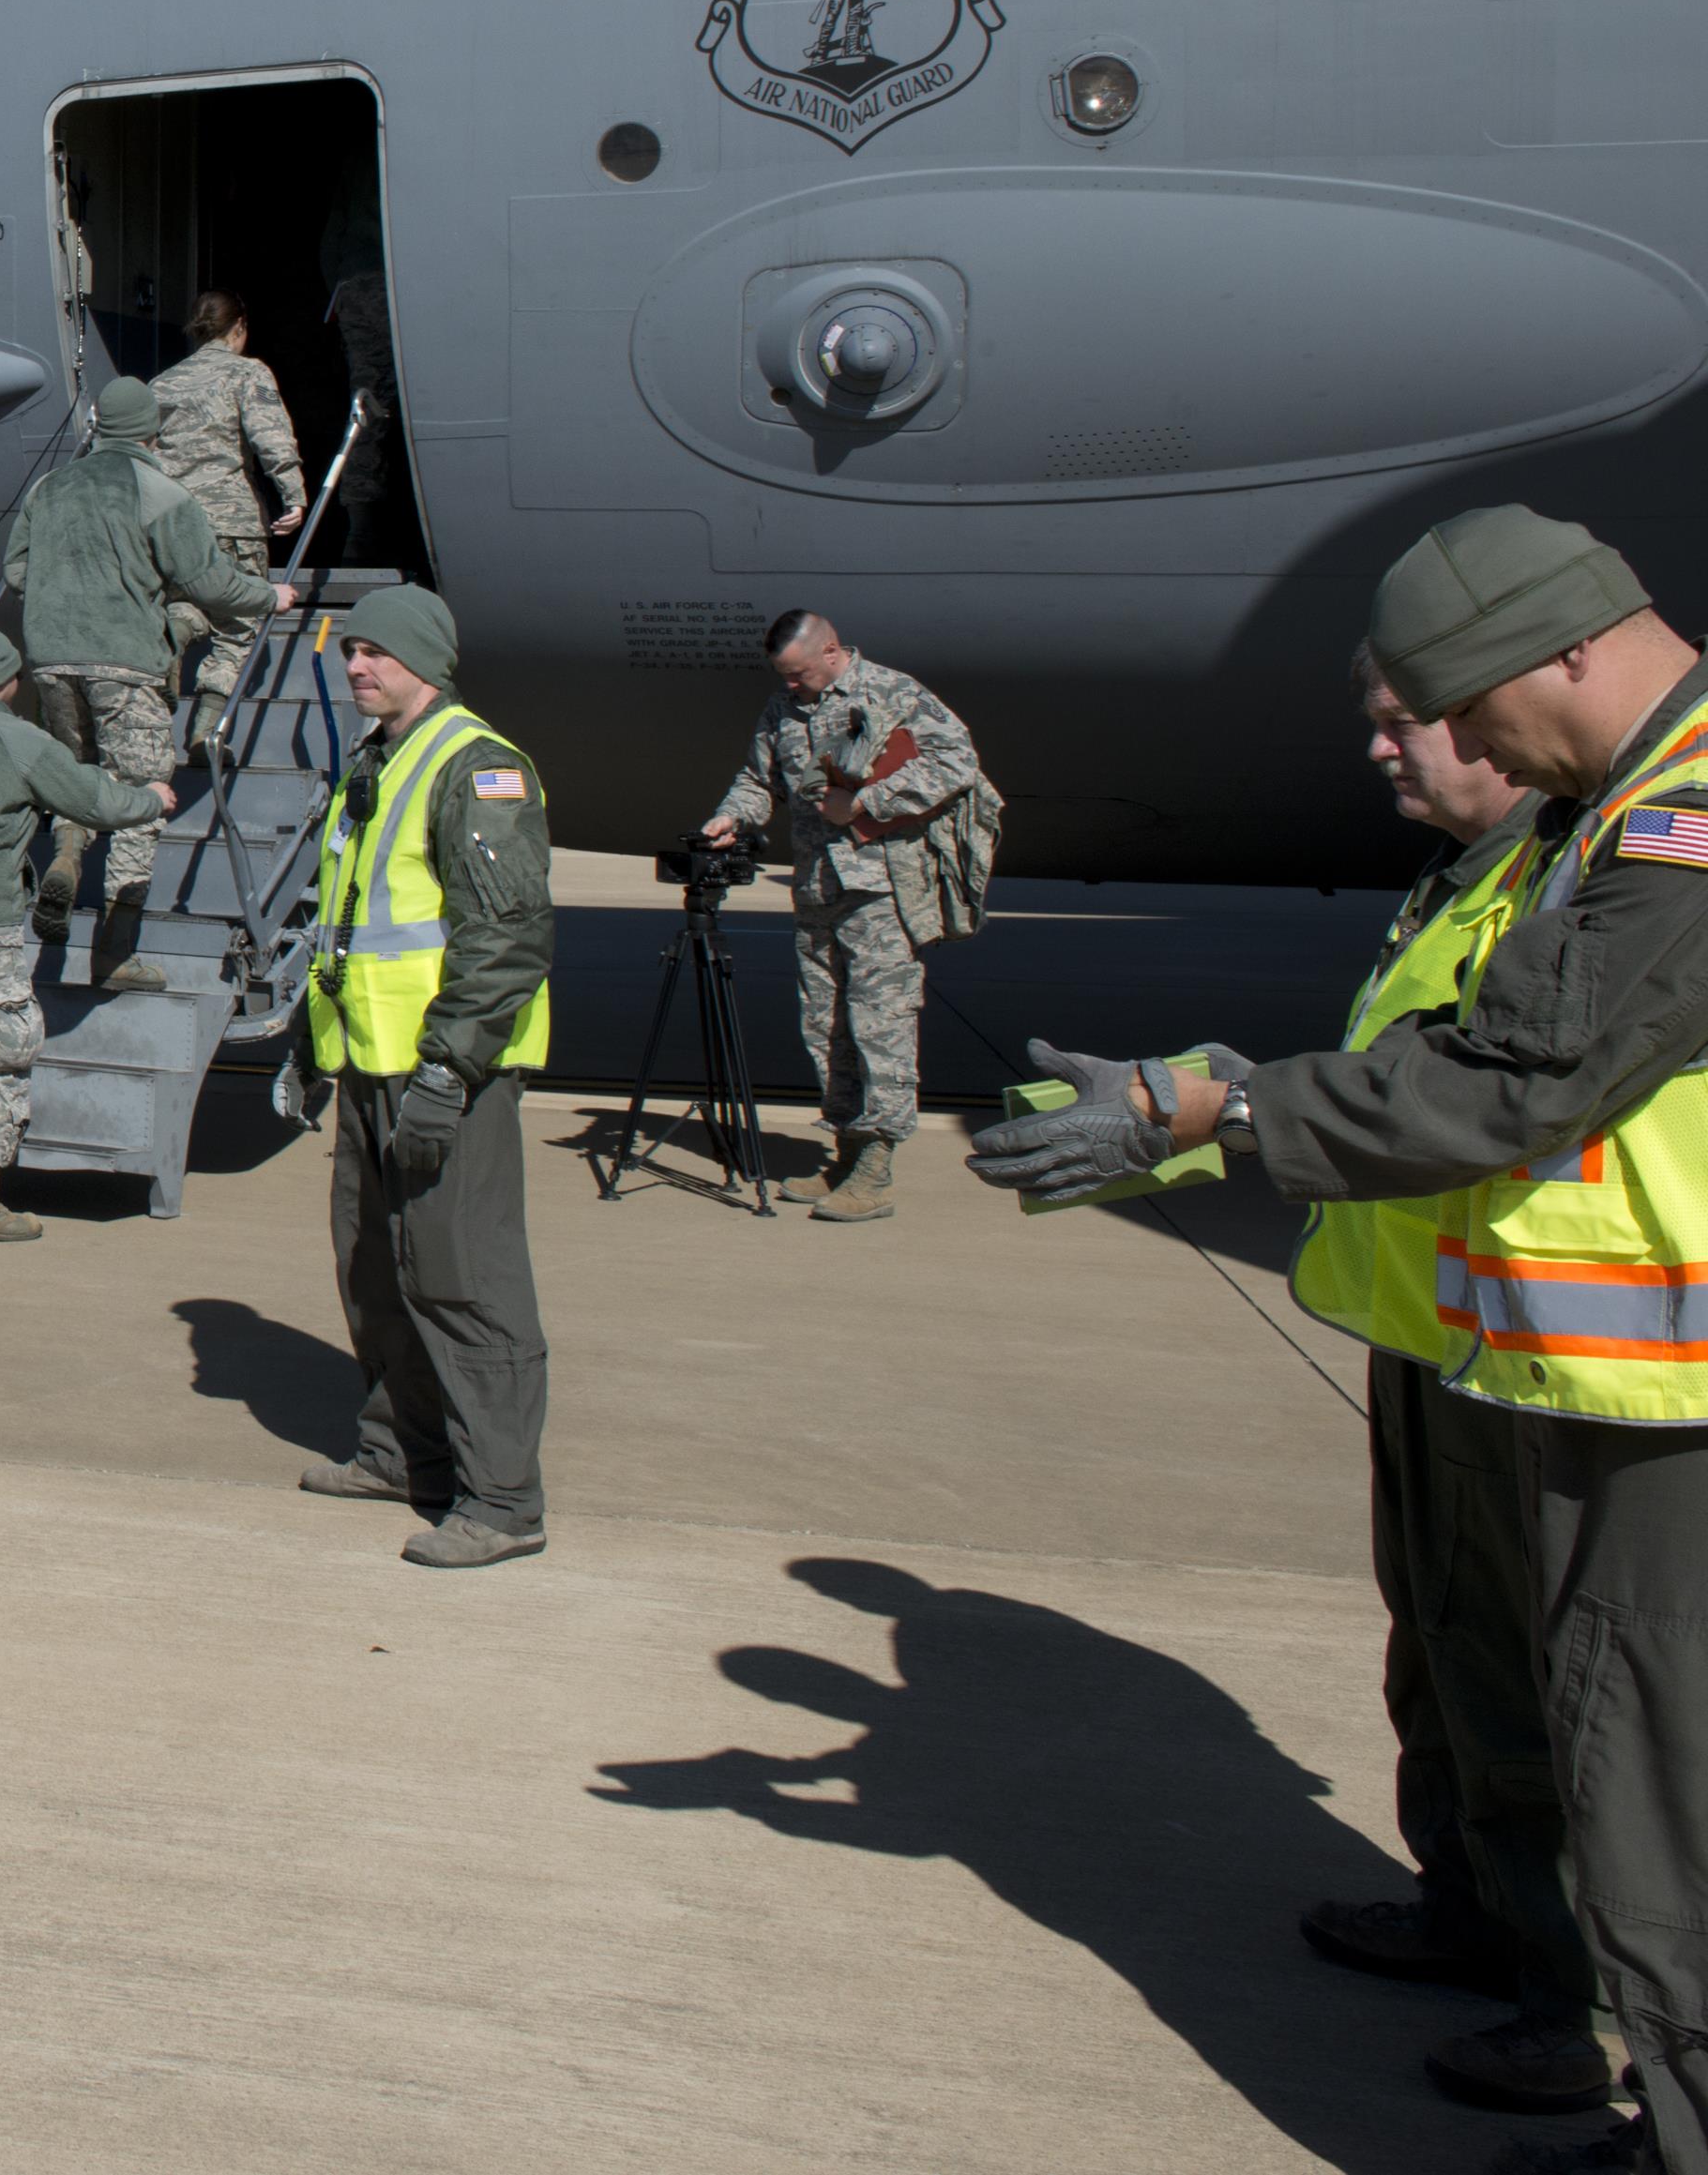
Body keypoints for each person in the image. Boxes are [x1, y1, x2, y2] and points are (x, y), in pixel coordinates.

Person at [975, 509, 1708, 2174]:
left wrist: (1209, 1108)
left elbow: (1519, 1074)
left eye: (1464, 708)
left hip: (1670, 1398)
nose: (1456, 749)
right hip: (1587, 1368)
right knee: (1599, 1756)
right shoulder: (1619, 809)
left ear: (1568, 652)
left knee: (1659, 1807)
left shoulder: (1684, 823)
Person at [1284, 649, 1608, 2119]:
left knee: (1507, 1668)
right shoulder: (1462, 873)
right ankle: (1464, 1901)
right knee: (1432, 1637)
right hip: (1418, 1325)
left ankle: (1563, 1995)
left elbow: (1470, 1088)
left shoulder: (1563, 877)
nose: (1387, 752)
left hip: (1501, 1340)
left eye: (1405, 725)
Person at [290, 584, 554, 1570]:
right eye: (349, 650)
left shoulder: (475, 768)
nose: (355, 666)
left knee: (461, 1278)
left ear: (425, 662)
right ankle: (404, 1455)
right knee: (370, 1267)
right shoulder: (377, 759)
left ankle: (501, 1501)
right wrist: (310, 1043)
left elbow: (507, 937)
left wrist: (448, 1070)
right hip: (369, 1061)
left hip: (444, 1070)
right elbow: (355, 919)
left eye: (375, 653)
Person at [700, 612, 984, 1223]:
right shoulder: (783, 710)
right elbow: (759, 778)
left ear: (831, 651)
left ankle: (876, 1168)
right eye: (784, 677)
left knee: (879, 1023)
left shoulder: (893, 692)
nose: (792, 686)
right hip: (816, 892)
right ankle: (847, 1150)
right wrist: (733, 816)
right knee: (826, 1024)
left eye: (799, 674)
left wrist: (864, 802)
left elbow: (956, 762)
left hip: (880, 893)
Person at [8, 377, 289, 982]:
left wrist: (69, 592)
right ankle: (114, 947)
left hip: (52, 660)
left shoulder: (49, 488)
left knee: (77, 773)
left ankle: (65, 858)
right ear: (151, 431)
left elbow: (17, 571)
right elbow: (212, 584)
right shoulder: (161, 493)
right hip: (125, 665)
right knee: (143, 795)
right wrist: (271, 595)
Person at [0, 626, 172, 1240]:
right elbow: (95, 800)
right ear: (7, 683)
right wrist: (151, 799)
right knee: (5, 1051)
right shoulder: (20, 740)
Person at [153, 293, 307, 745]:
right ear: (238, 327)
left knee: (185, 601)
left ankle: (173, 638)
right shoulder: (248, 372)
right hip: (234, 521)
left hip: (176, 524)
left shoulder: (161, 384)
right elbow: (271, 437)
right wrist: (293, 495)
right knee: (238, 627)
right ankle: (206, 732)